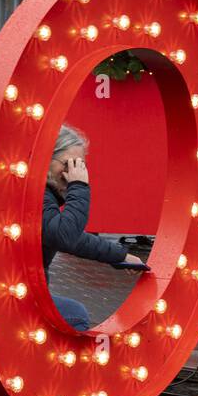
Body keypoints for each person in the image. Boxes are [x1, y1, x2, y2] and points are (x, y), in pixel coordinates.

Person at [41, 125, 145, 331]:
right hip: (11, 299)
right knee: (76, 314)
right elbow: (65, 236)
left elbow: (71, 237)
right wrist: (78, 187)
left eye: (79, 165)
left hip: (9, 293)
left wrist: (119, 255)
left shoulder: (38, 194)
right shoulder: (38, 197)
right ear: (45, 159)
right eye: (68, 164)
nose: (73, 173)